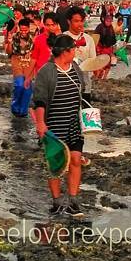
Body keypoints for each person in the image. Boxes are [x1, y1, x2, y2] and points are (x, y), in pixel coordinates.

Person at [32, 35, 86, 217]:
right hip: (54, 124)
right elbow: (40, 100)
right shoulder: (46, 72)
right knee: (55, 165)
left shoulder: (75, 68)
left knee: (76, 160)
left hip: (74, 123)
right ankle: (56, 202)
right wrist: (40, 123)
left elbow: (83, 93)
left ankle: (73, 201)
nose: (76, 51)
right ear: (65, 51)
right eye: (74, 49)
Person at [8, 18, 37, 117]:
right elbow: (9, 52)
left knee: (27, 89)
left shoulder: (33, 39)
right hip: (17, 63)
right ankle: (15, 107)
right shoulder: (14, 37)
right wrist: (9, 42)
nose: (23, 32)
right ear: (19, 29)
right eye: (21, 30)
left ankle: (23, 111)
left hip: (29, 65)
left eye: (25, 30)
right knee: (19, 85)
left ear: (29, 29)